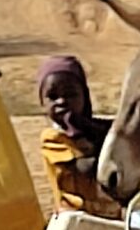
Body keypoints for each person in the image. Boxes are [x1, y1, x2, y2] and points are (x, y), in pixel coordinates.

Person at [34, 54, 118, 218]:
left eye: (70, 95)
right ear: (42, 102)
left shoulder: (95, 128)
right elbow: (84, 168)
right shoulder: (53, 138)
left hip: (109, 215)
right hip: (74, 218)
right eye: (53, 97)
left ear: (84, 97)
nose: (61, 102)